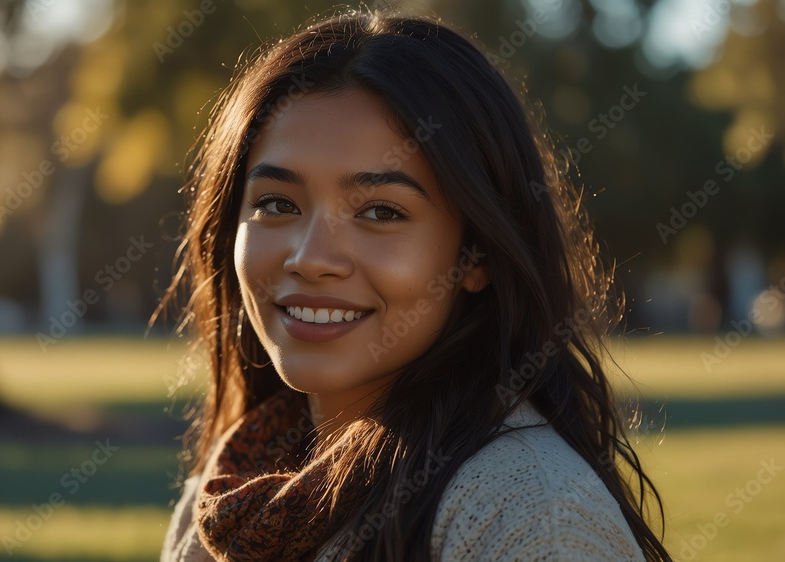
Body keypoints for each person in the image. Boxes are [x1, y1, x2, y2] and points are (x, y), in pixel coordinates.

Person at [155, 8, 671, 562]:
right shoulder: (227, 495)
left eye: (381, 212)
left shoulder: (529, 513)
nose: (311, 259)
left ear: (479, 254)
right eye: (278, 204)